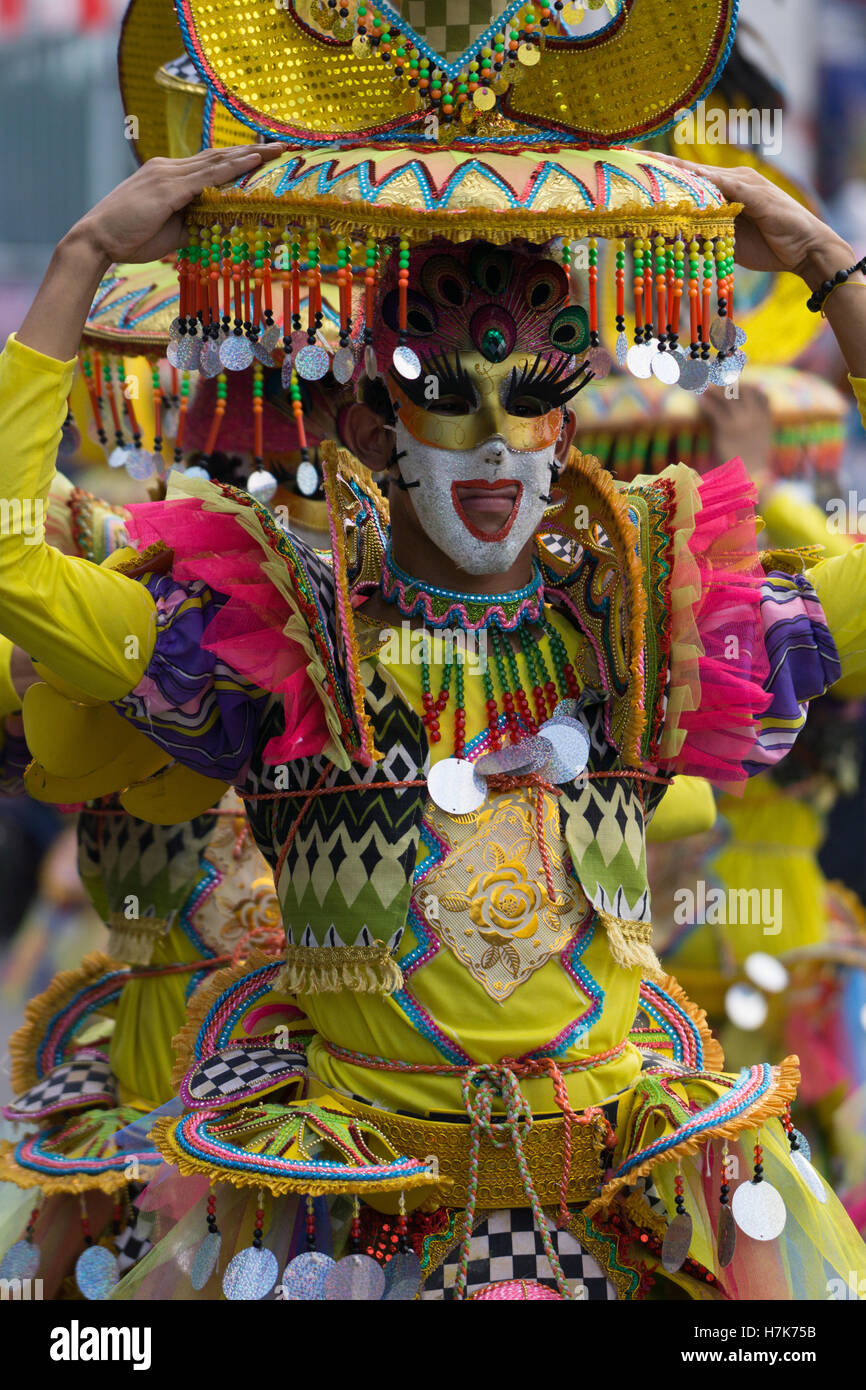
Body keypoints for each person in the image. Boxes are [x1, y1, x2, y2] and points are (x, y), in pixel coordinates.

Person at [2, 135, 866, 1300]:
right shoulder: (275, 640)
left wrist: (828, 265)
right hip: (354, 1236)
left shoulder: (644, 635)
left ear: (564, 432)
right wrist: (82, 258)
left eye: (533, 404)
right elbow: (14, 562)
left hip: (613, 1212)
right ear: (367, 434)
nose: (498, 441)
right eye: (447, 399)